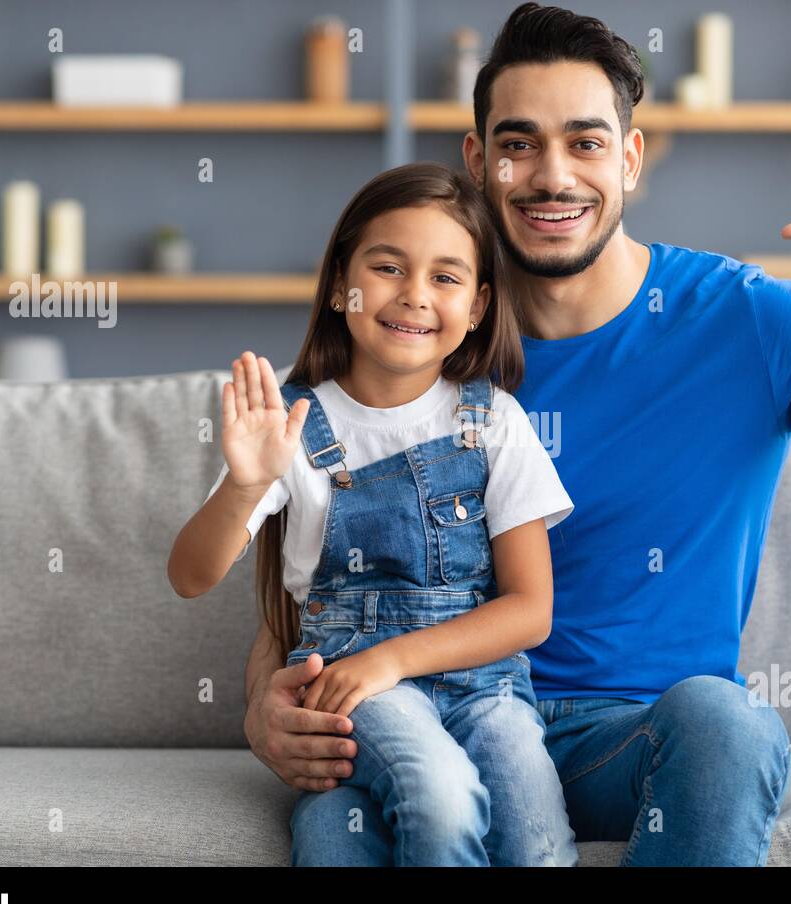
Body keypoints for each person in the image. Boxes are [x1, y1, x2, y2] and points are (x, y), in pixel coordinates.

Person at [244, 3, 791, 866]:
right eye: (519, 143)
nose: (551, 175)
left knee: (725, 720)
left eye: (586, 142)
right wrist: (264, 708)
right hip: (432, 720)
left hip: (632, 741)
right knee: (333, 825)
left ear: (630, 159)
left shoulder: (748, 320)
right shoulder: (415, 343)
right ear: (480, 164)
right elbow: (312, 578)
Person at [168, 161, 579, 866]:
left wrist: (393, 660)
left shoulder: (497, 421)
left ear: (478, 307)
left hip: (485, 688)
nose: (415, 295)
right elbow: (189, 576)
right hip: (349, 678)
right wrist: (244, 484)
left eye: (445, 278)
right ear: (339, 285)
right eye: (388, 267)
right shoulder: (293, 426)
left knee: (535, 836)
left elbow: (529, 609)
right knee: (442, 799)